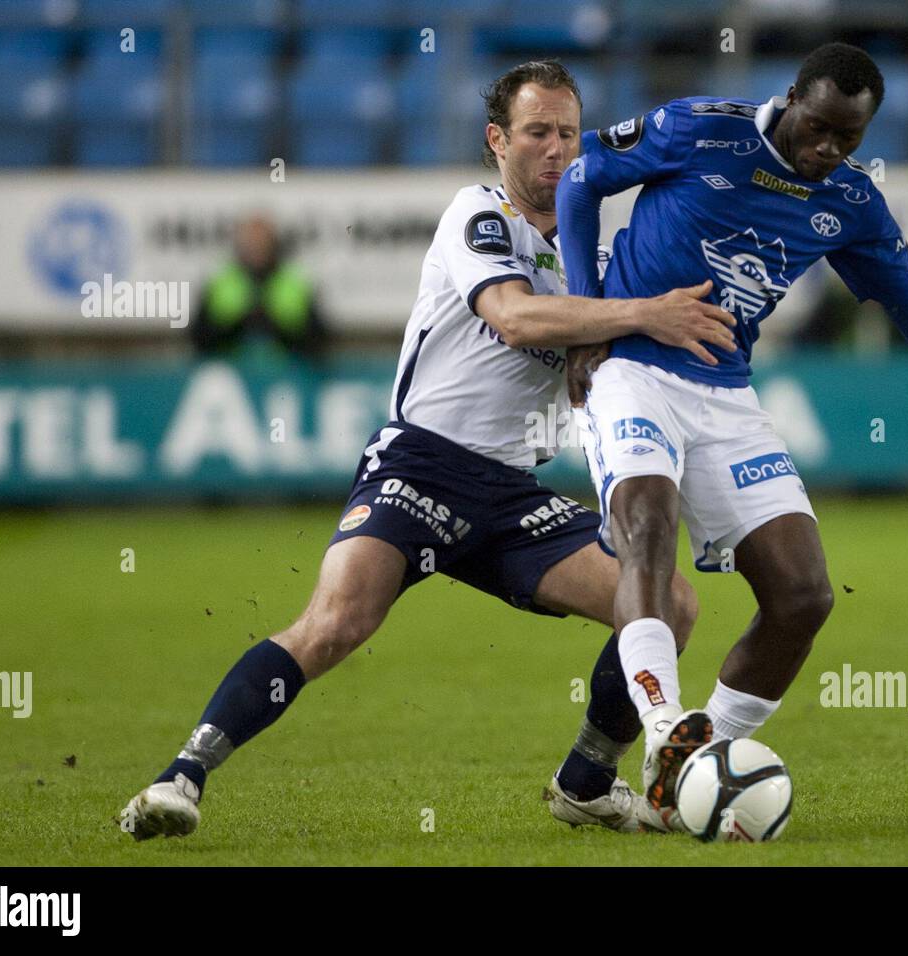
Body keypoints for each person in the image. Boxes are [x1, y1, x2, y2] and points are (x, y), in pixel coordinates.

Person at [120, 60, 737, 840]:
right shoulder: (477, 214)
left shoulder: (588, 258)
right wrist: (643, 313)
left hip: (511, 495)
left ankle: (586, 780)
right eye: (537, 132)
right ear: (496, 139)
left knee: (669, 603)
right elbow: (513, 317)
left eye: (568, 134)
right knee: (336, 623)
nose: (555, 149)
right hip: (422, 465)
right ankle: (182, 777)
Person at [556, 42, 908, 831]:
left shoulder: (853, 202)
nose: (827, 150)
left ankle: (695, 772)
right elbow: (579, 178)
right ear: (793, 96)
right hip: (632, 366)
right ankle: (665, 728)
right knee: (648, 530)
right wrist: (586, 319)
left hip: (726, 392)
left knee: (803, 595)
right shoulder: (699, 130)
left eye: (848, 139)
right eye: (819, 128)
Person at [191, 216, 327, 358]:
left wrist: (272, 323)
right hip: (229, 370)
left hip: (287, 370)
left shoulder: (295, 281)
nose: (256, 248)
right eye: (251, 242)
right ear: (240, 244)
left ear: (273, 243)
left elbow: (317, 338)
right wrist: (240, 324)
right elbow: (200, 337)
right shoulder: (220, 281)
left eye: (262, 243)